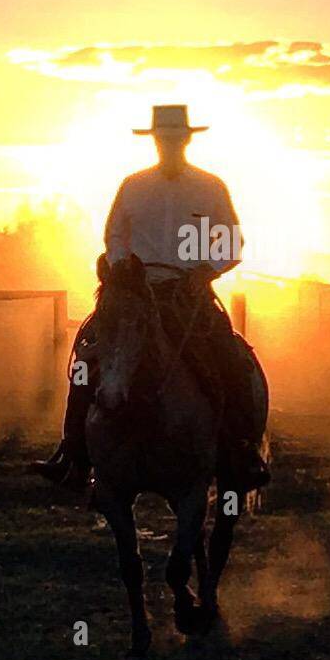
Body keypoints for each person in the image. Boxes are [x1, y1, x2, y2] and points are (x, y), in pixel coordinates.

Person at [37, 104, 270, 492]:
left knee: (229, 356)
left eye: (176, 138)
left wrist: (208, 270)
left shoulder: (211, 187)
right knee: (88, 353)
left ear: (187, 140)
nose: (170, 144)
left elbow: (231, 240)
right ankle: (74, 449)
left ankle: (241, 449)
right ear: (157, 141)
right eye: (164, 138)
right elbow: (113, 234)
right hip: (134, 292)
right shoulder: (134, 186)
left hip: (188, 293)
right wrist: (122, 269)